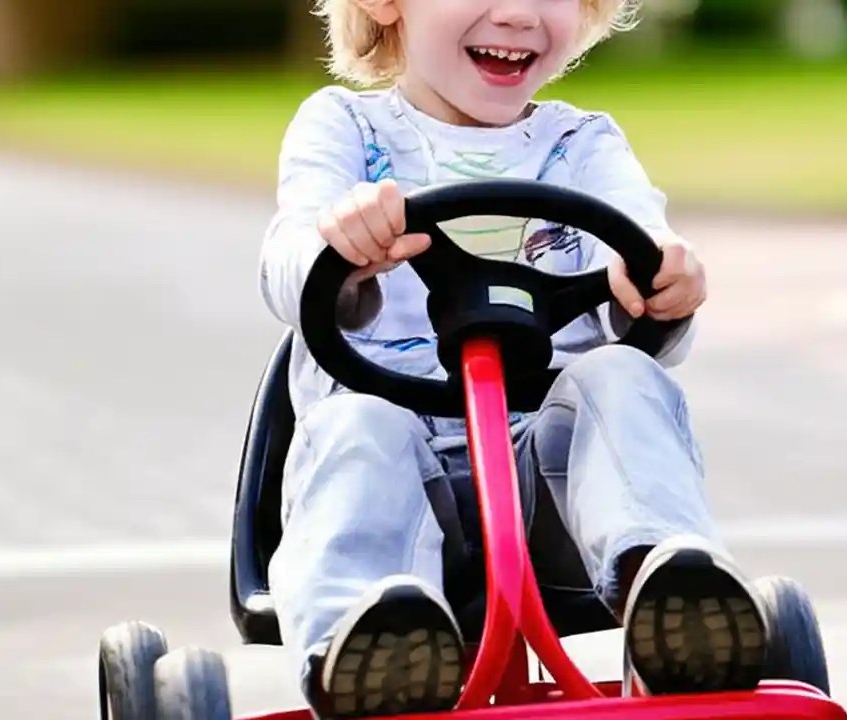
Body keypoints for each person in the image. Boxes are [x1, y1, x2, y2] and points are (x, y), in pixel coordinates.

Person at [258, 0, 769, 717]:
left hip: (554, 500)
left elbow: (642, 252)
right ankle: (365, 641)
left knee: (620, 373)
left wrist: (659, 286)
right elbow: (287, 266)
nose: (519, 13)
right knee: (358, 426)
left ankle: (667, 590)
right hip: (392, 489)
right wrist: (336, 249)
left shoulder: (583, 145)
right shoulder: (345, 128)